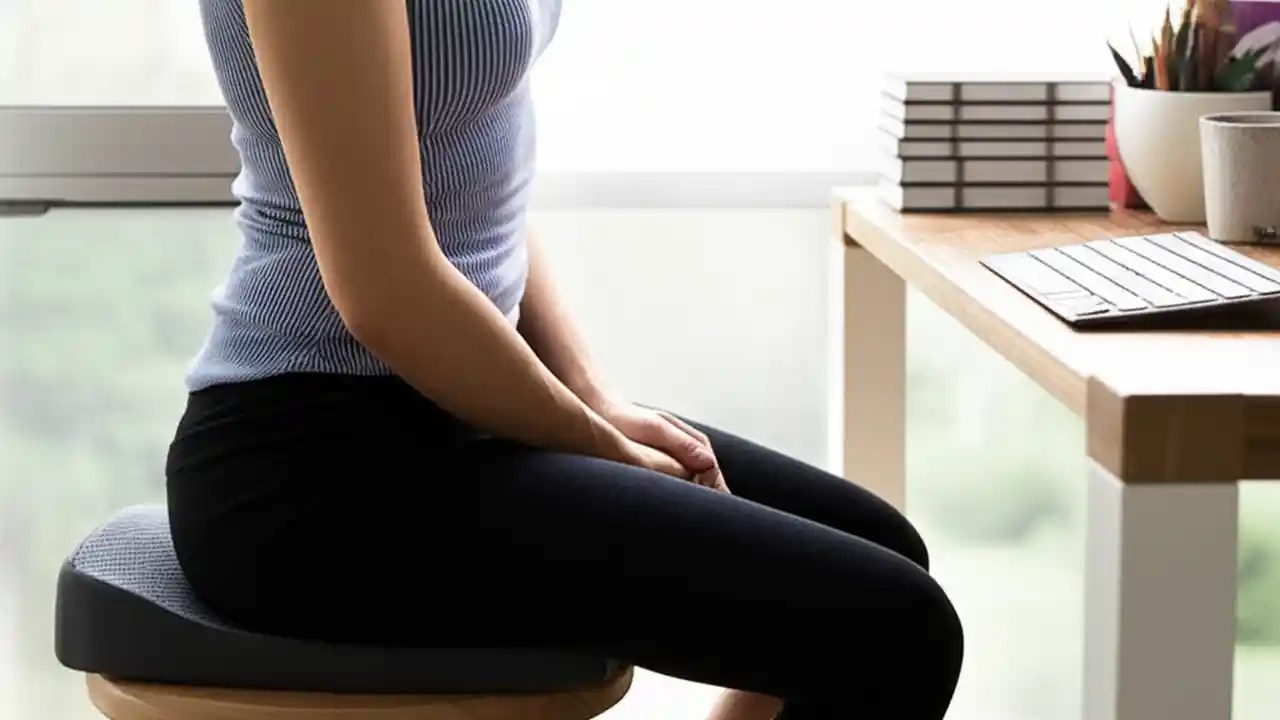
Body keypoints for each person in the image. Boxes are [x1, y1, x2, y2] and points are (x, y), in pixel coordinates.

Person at [165, 2, 964, 719]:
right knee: (896, 633)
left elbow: (474, 186)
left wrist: (590, 398)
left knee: (886, 553)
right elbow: (386, 287)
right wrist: (596, 443)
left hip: (470, 405)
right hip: (314, 470)